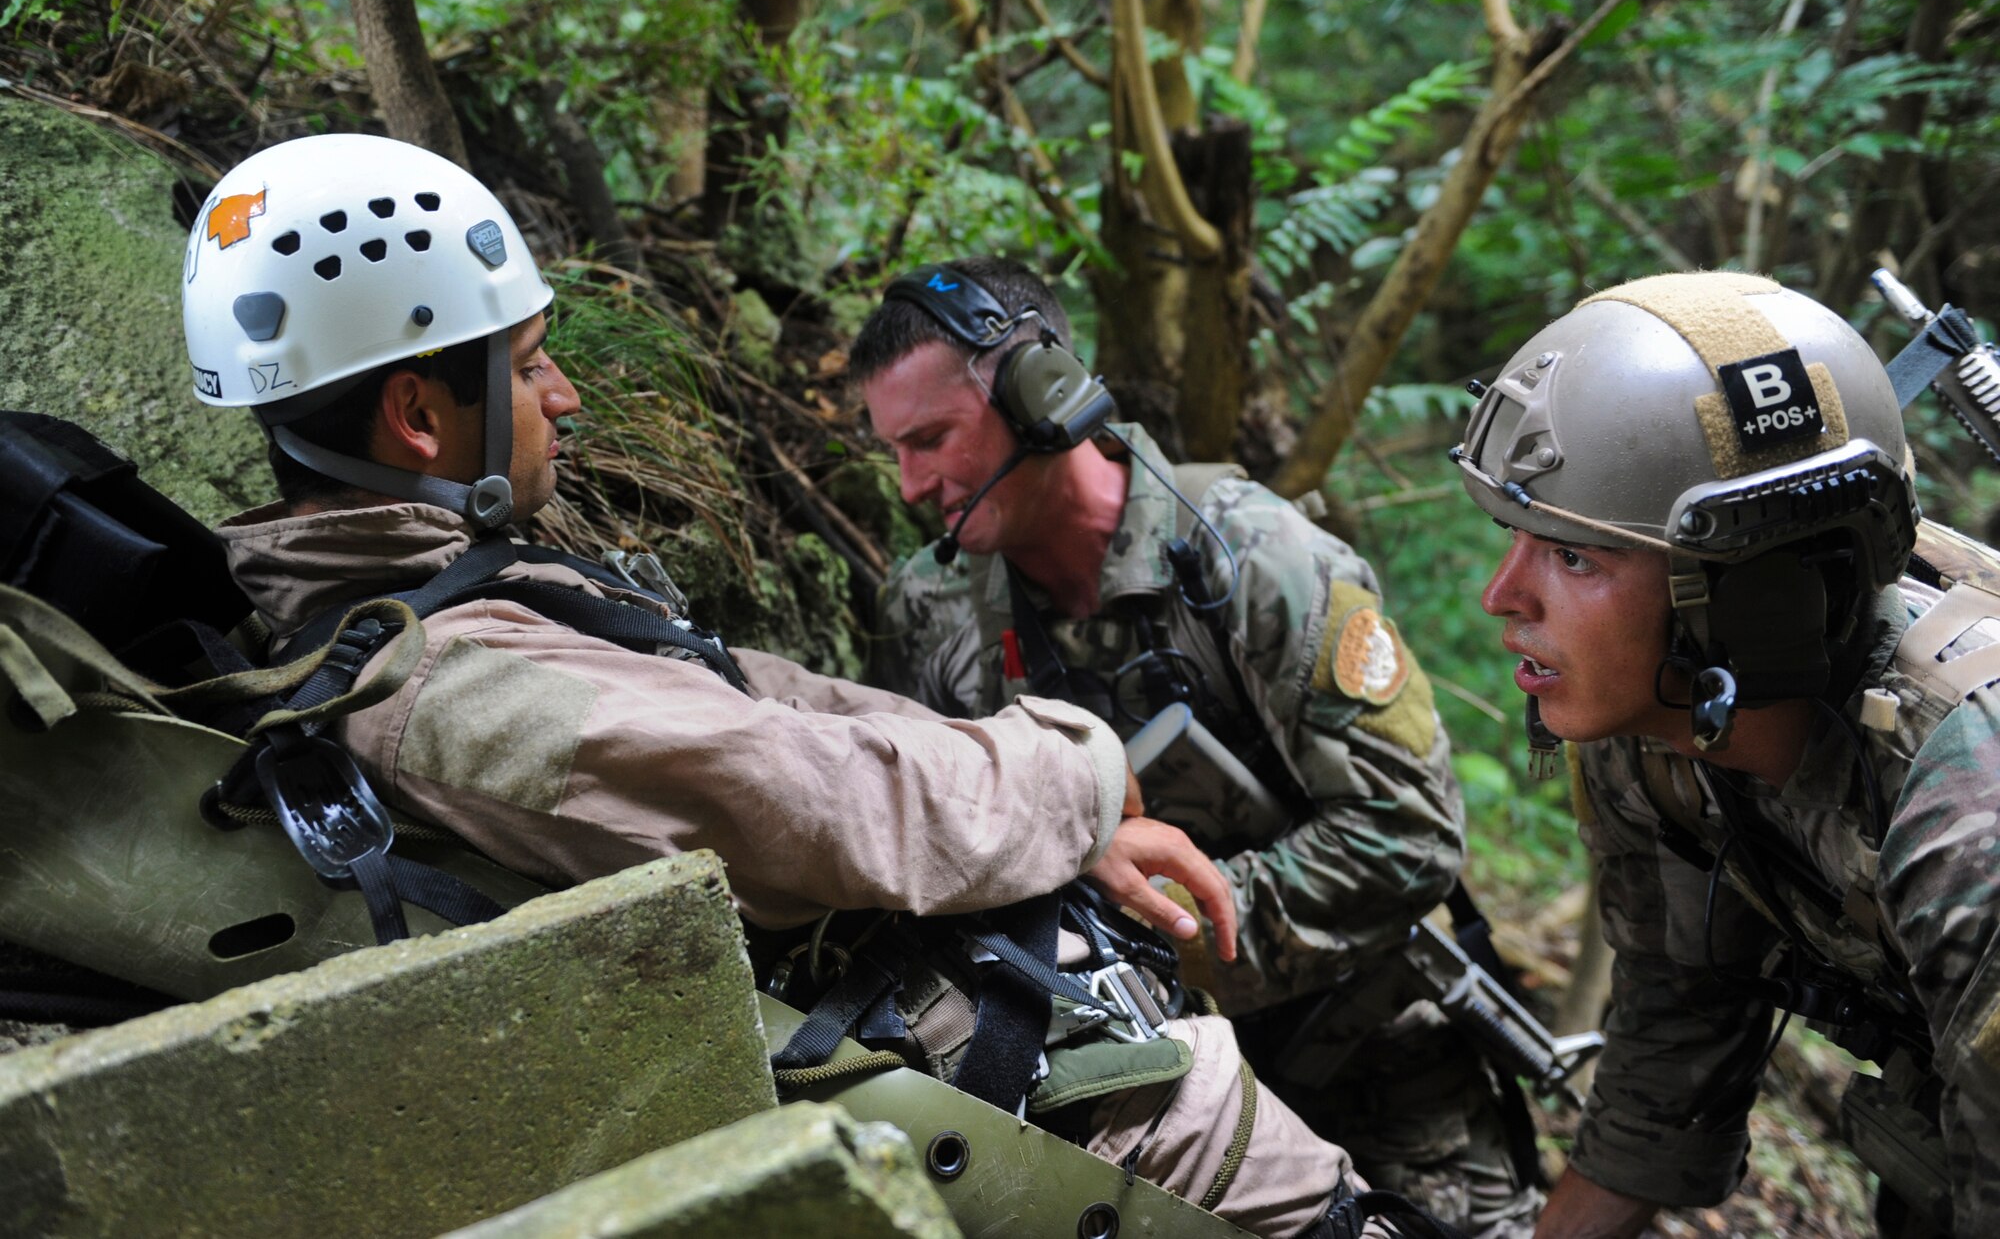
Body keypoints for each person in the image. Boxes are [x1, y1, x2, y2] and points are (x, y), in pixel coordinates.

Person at [179, 132, 1410, 1239]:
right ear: (415, 413)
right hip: (1069, 1121)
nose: (562, 395)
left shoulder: (459, 610)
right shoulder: (448, 681)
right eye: (530, 363)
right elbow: (800, 792)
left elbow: (760, 696)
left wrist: (1055, 809)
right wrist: (1072, 773)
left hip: (1074, 1049)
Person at [850, 257, 1543, 1236]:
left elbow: (1410, 831)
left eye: (930, 439)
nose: (912, 483)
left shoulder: (1251, 560)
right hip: (1142, 1089)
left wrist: (1167, 932)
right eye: (894, 449)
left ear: (1041, 398)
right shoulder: (932, 611)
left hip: (1370, 1056)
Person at [1456, 270, 2000, 1238]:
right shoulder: (1657, 745)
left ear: (1746, 594)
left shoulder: (1968, 817)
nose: (1501, 595)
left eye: (1572, 556)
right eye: (1516, 536)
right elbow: (1665, 1070)